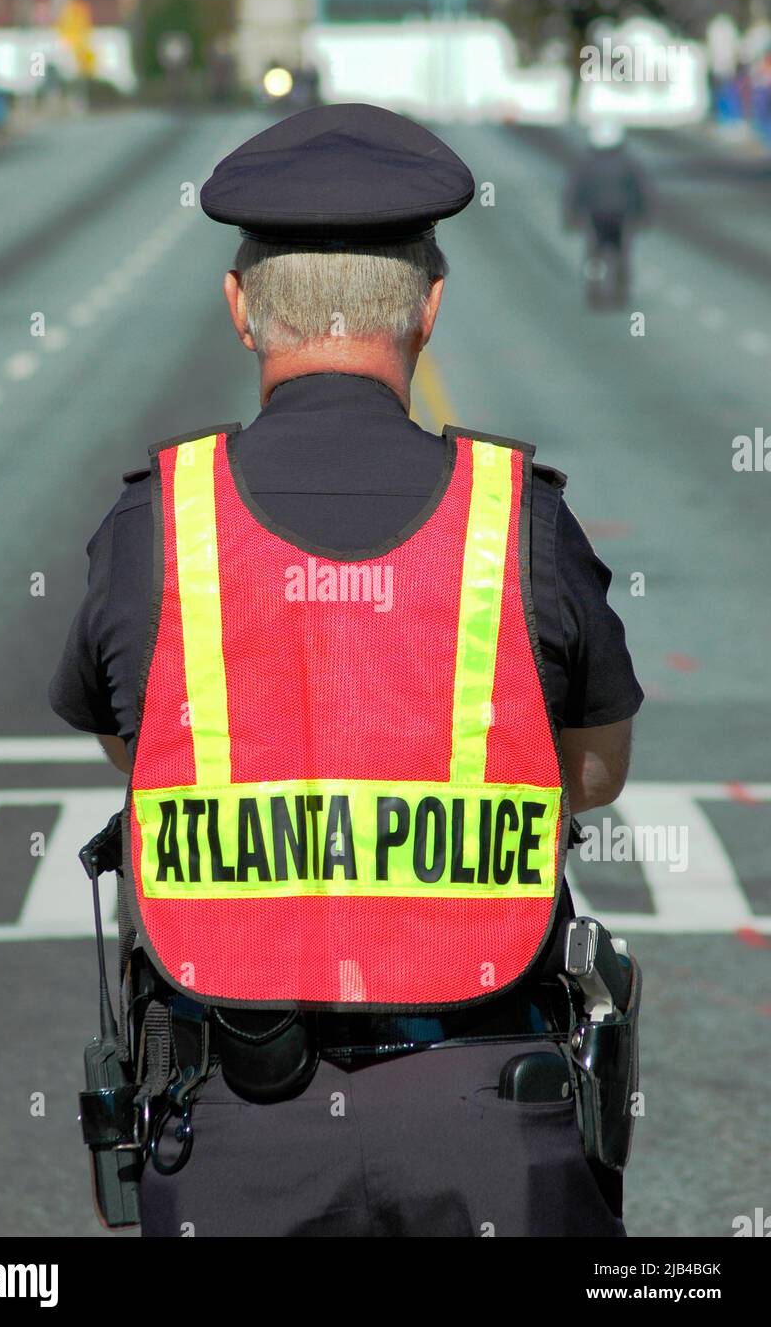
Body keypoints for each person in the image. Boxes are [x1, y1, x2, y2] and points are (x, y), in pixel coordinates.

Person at [50, 103, 644, 1238]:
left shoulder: (152, 528)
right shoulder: (518, 519)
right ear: (430, 305)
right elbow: (599, 768)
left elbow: (139, 748)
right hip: (487, 1118)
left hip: (231, 1124)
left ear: (239, 311)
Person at [564, 121, 651, 303]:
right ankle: (620, 289)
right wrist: (642, 215)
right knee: (620, 252)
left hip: (596, 215)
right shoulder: (628, 163)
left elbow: (574, 191)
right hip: (619, 215)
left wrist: (571, 216)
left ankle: (594, 287)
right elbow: (641, 191)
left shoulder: (586, 164)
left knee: (595, 253)